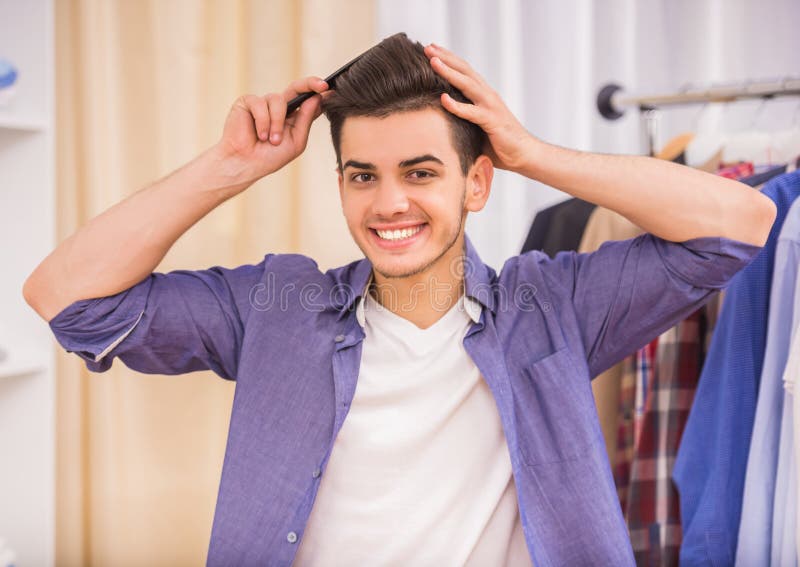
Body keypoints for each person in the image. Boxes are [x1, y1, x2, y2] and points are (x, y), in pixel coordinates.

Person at [23, 32, 775, 566]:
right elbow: (68, 298)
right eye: (362, 175)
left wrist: (533, 153)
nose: (389, 204)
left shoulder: (552, 306)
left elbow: (742, 224)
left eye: (420, 172)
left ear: (475, 182)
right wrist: (228, 166)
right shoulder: (276, 310)